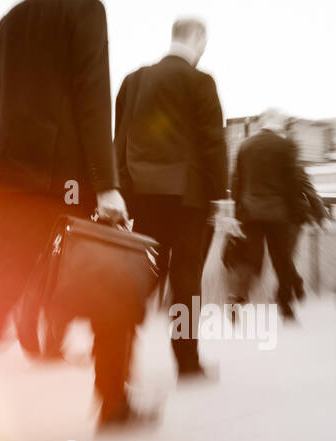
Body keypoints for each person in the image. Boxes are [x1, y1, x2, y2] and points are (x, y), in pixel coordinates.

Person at [0, 0, 142, 441]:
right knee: (112, 281)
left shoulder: (11, 19)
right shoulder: (84, 10)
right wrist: (106, 185)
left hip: (12, 175)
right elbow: (93, 95)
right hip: (67, 179)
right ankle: (114, 403)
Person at [115, 17, 227, 379]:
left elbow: (119, 140)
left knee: (145, 273)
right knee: (185, 276)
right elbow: (212, 142)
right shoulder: (200, 81)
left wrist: (121, 191)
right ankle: (187, 362)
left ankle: (114, 353)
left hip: (143, 194)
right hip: (187, 196)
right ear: (197, 38)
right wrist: (221, 195)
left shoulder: (133, 81)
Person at [230, 109, 319, 319]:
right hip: (279, 214)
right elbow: (293, 182)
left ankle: (238, 298)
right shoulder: (285, 146)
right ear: (278, 124)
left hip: (250, 213)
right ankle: (286, 307)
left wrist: (238, 212)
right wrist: (296, 211)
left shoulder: (245, 145)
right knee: (282, 260)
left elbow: (236, 182)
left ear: (262, 123)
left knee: (251, 259)